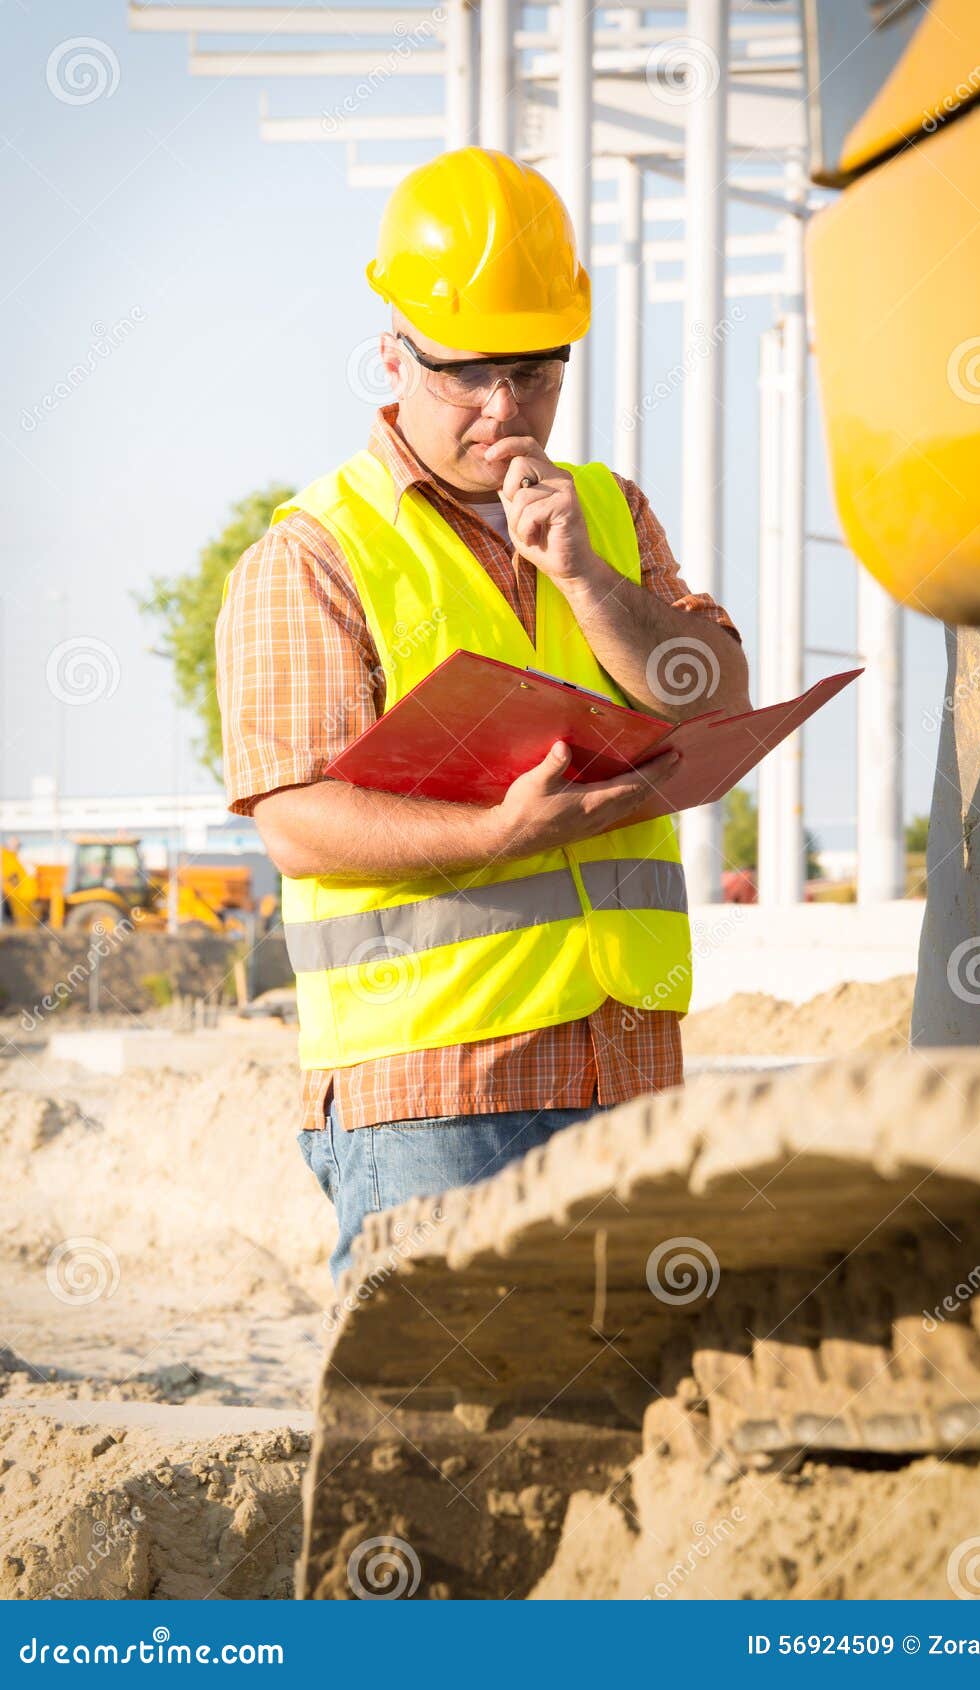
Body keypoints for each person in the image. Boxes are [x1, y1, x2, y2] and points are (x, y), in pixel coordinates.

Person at [216, 148, 749, 1285]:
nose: (507, 412)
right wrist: (495, 839)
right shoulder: (310, 554)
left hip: (626, 1068)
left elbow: (716, 697)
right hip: (434, 1096)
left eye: (535, 372)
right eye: (469, 375)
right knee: (439, 1429)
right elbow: (296, 822)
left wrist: (590, 582)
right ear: (394, 353)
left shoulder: (605, 511)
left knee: (625, 1420)